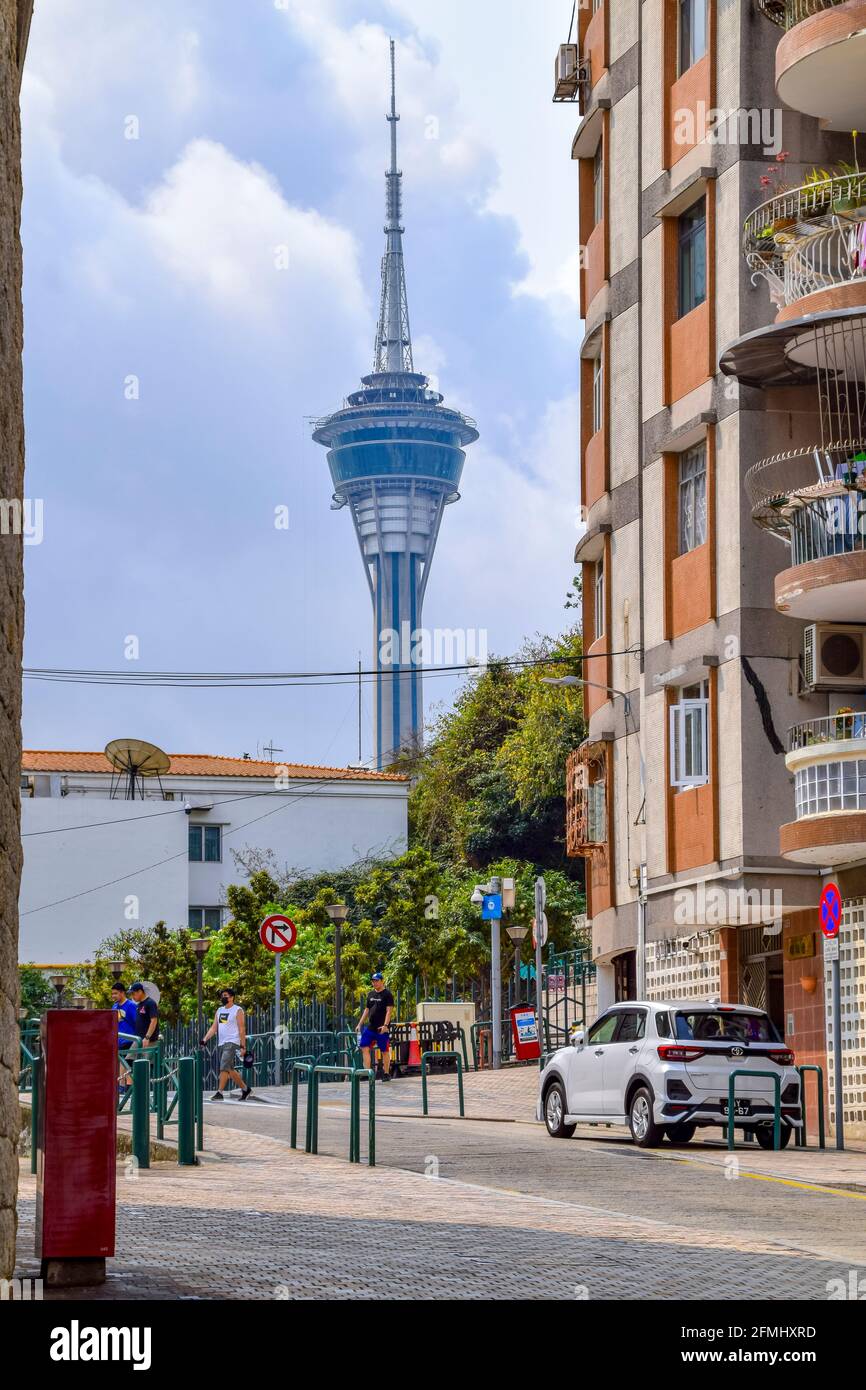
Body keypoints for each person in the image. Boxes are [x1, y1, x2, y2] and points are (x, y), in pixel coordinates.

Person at [201, 987, 253, 1102]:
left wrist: (243, 1046)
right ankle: (245, 1089)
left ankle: (220, 1093)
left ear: (232, 997)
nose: (223, 998)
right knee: (229, 1069)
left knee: (224, 1066)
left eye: (225, 995)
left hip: (233, 1041)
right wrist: (205, 1039)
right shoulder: (220, 1010)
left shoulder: (237, 1010)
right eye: (222, 996)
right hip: (222, 1042)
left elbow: (242, 1028)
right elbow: (214, 1027)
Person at [357, 972, 394, 1081]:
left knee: (384, 1051)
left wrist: (385, 1025)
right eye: (373, 981)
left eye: (377, 981)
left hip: (381, 1028)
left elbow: (389, 1011)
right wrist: (360, 1024)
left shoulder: (387, 994)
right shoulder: (370, 994)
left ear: (382, 981)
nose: (375, 983)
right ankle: (367, 1072)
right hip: (371, 1027)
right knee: (364, 1047)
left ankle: (386, 1073)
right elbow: (367, 1010)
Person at [111, 982, 137, 1088]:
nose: (113, 996)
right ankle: (122, 1088)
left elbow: (137, 1022)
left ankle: (127, 1088)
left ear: (122, 993)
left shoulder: (131, 1005)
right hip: (117, 1041)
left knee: (126, 1065)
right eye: (112, 994)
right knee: (119, 1066)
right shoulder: (114, 1006)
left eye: (115, 993)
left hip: (129, 1040)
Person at [129, 982, 159, 1054]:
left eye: (133, 994)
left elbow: (154, 1021)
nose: (132, 997)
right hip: (138, 1040)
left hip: (149, 1041)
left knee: (145, 1061)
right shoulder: (139, 1004)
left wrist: (147, 1037)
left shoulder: (150, 1003)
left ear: (140, 991)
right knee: (127, 1060)